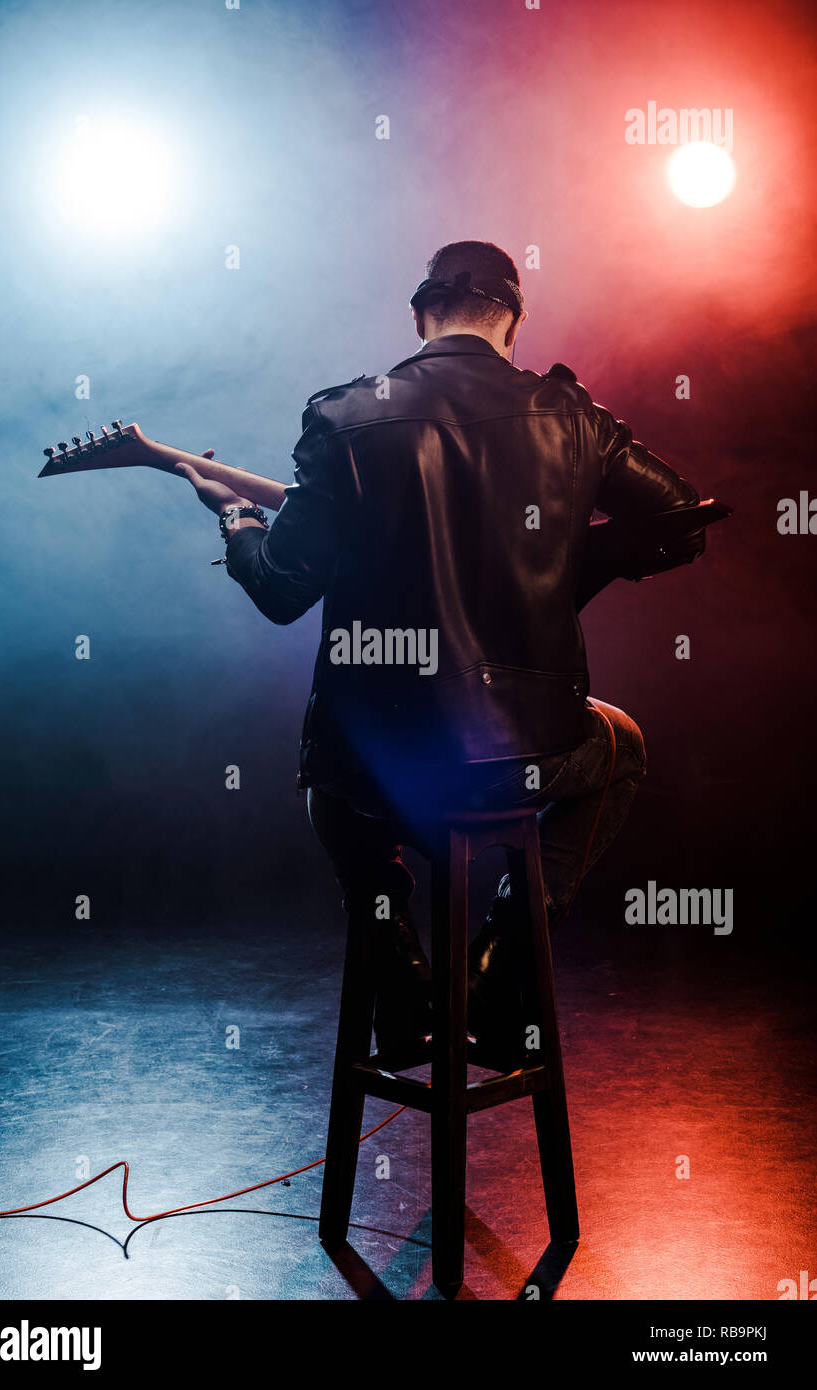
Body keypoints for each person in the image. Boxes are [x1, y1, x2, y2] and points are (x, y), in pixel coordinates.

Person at [177, 240, 705, 1070]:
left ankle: (399, 975)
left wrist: (235, 517)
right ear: (514, 321)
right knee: (620, 743)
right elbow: (680, 522)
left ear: (421, 314)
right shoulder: (570, 415)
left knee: (324, 770)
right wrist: (568, 563)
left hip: (376, 767)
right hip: (525, 758)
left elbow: (281, 591)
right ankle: (504, 957)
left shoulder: (346, 415)